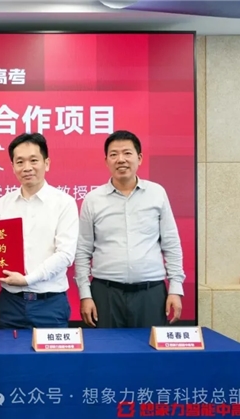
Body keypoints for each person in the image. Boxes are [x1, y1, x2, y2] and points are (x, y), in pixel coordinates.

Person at [0, 133, 79, 329]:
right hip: (11, 304)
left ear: (46, 163)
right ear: (13, 166)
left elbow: (65, 255)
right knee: (8, 349)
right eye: (20, 162)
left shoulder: (64, 203)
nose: (27, 167)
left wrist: (27, 280)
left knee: (51, 351)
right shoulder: (4, 204)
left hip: (50, 305)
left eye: (33, 160)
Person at [74, 130, 184, 328]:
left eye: (127, 153)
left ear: (139, 158)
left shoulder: (157, 193)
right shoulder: (93, 199)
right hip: (105, 294)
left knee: (148, 347)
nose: (121, 159)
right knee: (107, 347)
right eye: (113, 154)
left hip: (150, 294)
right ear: (106, 161)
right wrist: (85, 295)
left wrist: (175, 288)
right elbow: (82, 250)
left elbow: (171, 244)